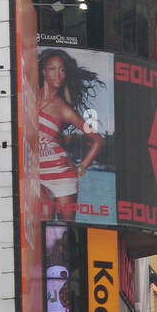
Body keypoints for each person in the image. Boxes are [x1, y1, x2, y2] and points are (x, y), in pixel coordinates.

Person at [37, 48, 104, 221]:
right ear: (43, 71)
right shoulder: (29, 97)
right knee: (42, 227)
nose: (58, 74)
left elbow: (97, 139)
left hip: (63, 179)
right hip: (37, 175)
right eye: (52, 69)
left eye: (62, 70)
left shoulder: (64, 110)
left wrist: (81, 167)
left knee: (66, 232)